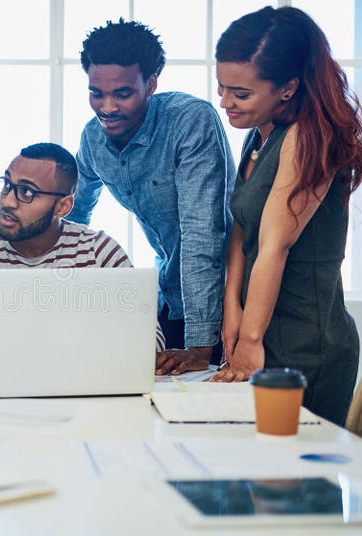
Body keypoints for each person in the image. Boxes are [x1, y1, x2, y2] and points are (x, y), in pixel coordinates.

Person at [213, 6, 362, 426]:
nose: (225, 102)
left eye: (240, 94)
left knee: (294, 483)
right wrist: (231, 310)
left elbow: (273, 246)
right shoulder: (259, 136)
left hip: (304, 345)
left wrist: (250, 337)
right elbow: (241, 232)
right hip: (259, 332)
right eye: (222, 87)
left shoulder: (308, 137)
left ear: (288, 88)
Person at [65, 19, 235, 374]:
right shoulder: (93, 139)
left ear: (151, 84)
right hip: (169, 301)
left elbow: (202, 234)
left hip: (226, 308)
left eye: (123, 93)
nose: (107, 107)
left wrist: (201, 345)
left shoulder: (189, 122)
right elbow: (71, 215)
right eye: (96, 93)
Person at [0, 142, 165, 376]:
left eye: (27, 192)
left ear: (63, 207)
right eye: (6, 184)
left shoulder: (99, 251)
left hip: (85, 400)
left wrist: (68, 360)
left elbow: (149, 340)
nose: (8, 201)